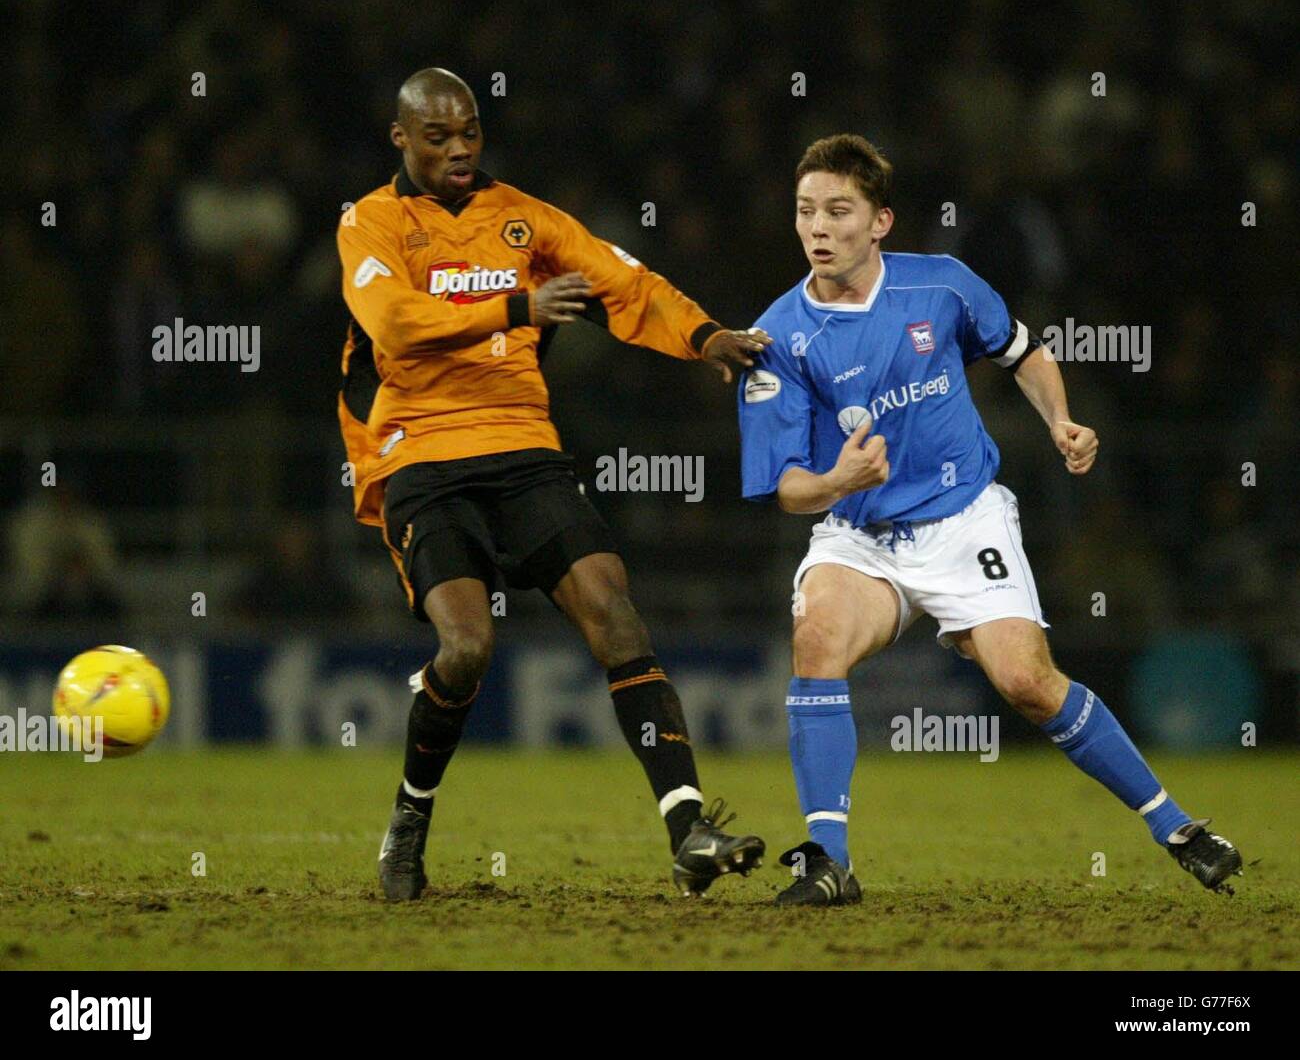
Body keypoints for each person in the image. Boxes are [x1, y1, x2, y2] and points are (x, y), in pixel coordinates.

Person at [738, 134, 1243, 906]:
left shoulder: (942, 288)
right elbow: (785, 488)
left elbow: (1025, 354)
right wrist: (836, 479)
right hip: (862, 536)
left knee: (1029, 684)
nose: (818, 227)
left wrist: (1060, 421)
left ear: (880, 222)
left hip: (963, 521)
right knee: (816, 641)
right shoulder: (778, 336)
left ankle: (1176, 826)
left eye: (839, 210)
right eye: (806, 210)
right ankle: (828, 860)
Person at [338, 68, 769, 901]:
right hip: (422, 456)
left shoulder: (527, 220)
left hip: (524, 447)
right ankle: (409, 822)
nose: (460, 148)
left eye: (470, 131)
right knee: (465, 649)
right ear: (401, 138)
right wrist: (514, 309)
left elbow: (624, 281)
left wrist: (706, 334)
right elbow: (392, 322)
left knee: (613, 607)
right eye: (438, 137)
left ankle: (689, 831)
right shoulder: (372, 221)